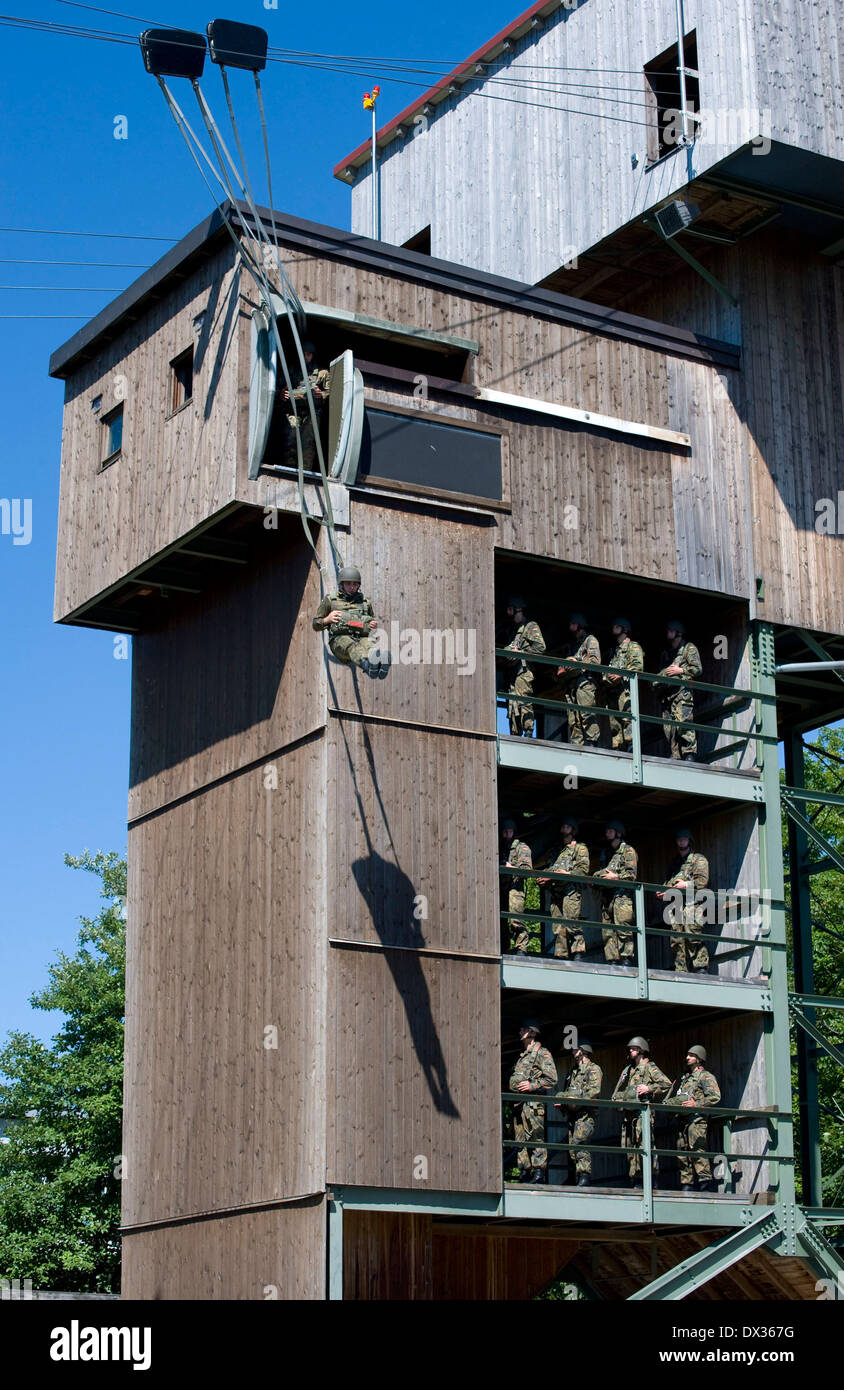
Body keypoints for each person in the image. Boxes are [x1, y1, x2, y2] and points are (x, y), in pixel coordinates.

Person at [611, 1037, 671, 1187]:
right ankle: (636, 1179)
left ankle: (652, 1178)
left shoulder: (650, 1067)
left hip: (642, 1115)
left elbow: (666, 1083)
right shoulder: (629, 1070)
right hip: (629, 1115)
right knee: (630, 1147)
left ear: (641, 1050)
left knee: (645, 1145)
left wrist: (648, 1088)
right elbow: (620, 1092)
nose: (630, 1051)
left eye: (633, 1048)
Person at [312, 565, 388, 676]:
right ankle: (367, 666)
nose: (352, 587)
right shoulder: (330, 600)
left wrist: (373, 625)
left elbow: (370, 621)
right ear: (342, 584)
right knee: (353, 647)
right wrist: (327, 620)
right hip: (339, 640)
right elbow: (315, 624)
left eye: (355, 584)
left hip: (360, 637)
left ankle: (380, 665)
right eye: (348, 584)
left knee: (370, 647)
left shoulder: (365, 603)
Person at [509, 1020, 558, 1183]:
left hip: (533, 1103)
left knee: (536, 1137)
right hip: (519, 1104)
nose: (520, 1032)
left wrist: (532, 1085)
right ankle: (524, 1170)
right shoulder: (522, 1056)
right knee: (520, 1139)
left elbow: (552, 1079)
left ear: (532, 1032)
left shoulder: (542, 1053)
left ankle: (538, 1172)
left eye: (523, 1029)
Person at [657, 828, 710, 973]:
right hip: (676, 906)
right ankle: (681, 970)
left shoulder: (698, 859)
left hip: (693, 903)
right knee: (676, 939)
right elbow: (668, 882)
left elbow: (702, 882)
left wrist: (685, 885)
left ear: (689, 841)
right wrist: (664, 891)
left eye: (684, 839)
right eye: (679, 839)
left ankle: (700, 967)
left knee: (693, 935)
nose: (681, 841)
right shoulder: (674, 863)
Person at [537, 816, 590, 958]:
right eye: (563, 826)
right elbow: (551, 868)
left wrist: (567, 873)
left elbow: (583, 871)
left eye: (567, 826)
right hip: (556, 892)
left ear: (573, 829)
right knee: (558, 926)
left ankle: (578, 952)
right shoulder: (557, 851)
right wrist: (544, 877)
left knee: (572, 921)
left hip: (571, 891)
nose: (564, 829)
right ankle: (561, 954)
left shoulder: (580, 849)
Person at [672, 1045, 721, 1193]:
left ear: (699, 1059)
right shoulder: (685, 1078)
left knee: (698, 1151)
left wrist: (696, 1104)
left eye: (691, 1055)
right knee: (682, 1153)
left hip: (697, 1121)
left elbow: (715, 1096)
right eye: (688, 1055)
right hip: (683, 1121)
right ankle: (687, 1185)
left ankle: (705, 1185)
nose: (688, 1058)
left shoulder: (705, 1076)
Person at [555, 1039, 603, 1186]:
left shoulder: (593, 1069)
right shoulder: (572, 1072)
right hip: (572, 1115)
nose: (573, 1052)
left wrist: (577, 1100)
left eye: (576, 1049)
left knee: (580, 1142)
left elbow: (594, 1091)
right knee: (572, 1147)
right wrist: (562, 1100)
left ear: (584, 1050)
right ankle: (575, 1176)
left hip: (586, 1114)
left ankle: (584, 1176)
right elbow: (565, 1091)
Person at [655, 621, 702, 760]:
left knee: (684, 723)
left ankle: (689, 753)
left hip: (682, 692)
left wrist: (681, 670)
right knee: (669, 728)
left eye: (671, 631)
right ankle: (675, 755)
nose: (668, 633)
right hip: (668, 695)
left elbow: (698, 669)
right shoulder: (666, 653)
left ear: (679, 633)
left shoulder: (689, 648)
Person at [280, 339, 330, 470]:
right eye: (304, 353)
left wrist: (322, 395)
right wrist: (281, 394)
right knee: (291, 439)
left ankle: (305, 471)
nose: (306, 357)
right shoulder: (290, 371)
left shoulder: (322, 374)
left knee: (307, 442)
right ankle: (289, 470)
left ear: (313, 355)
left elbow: (333, 394)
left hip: (312, 413)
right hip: (293, 411)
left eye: (309, 354)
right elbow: (274, 389)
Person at [595, 819, 638, 963]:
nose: (607, 833)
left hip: (622, 897)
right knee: (607, 932)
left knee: (623, 929)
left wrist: (616, 877)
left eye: (610, 830)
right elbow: (602, 871)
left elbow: (631, 875)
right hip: (607, 898)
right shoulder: (606, 853)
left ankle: (626, 958)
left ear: (618, 833)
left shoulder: (628, 851)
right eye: (607, 831)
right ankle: (612, 960)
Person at [502, 597, 545, 737]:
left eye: (510, 609)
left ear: (517, 609)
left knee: (523, 699)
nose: (509, 613)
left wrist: (521, 653)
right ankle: (515, 733)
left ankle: (528, 730)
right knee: (512, 704)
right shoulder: (513, 631)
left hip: (524, 671)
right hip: (512, 673)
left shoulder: (530, 626)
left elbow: (540, 647)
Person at [556, 613, 601, 747]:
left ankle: (592, 743)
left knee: (586, 714)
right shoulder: (573, 645)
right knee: (573, 719)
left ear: (579, 625)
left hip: (585, 683)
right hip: (572, 686)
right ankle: (577, 746)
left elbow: (595, 661)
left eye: (572, 623)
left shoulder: (590, 640)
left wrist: (577, 662)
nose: (570, 626)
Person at [603, 619, 644, 751]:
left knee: (628, 717)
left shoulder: (633, 646)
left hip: (625, 689)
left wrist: (620, 675)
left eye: (617, 626)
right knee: (614, 721)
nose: (613, 628)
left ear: (624, 629)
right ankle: (617, 747)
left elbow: (638, 667)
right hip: (613, 691)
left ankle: (631, 747)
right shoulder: (613, 651)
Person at [501, 818, 533, 954]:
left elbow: (526, 870)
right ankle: (504, 946)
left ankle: (521, 948)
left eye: (509, 831)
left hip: (515, 889)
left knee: (516, 919)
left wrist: (510, 868)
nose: (507, 834)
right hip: (501, 889)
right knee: (501, 919)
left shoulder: (522, 848)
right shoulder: (500, 848)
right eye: (505, 831)